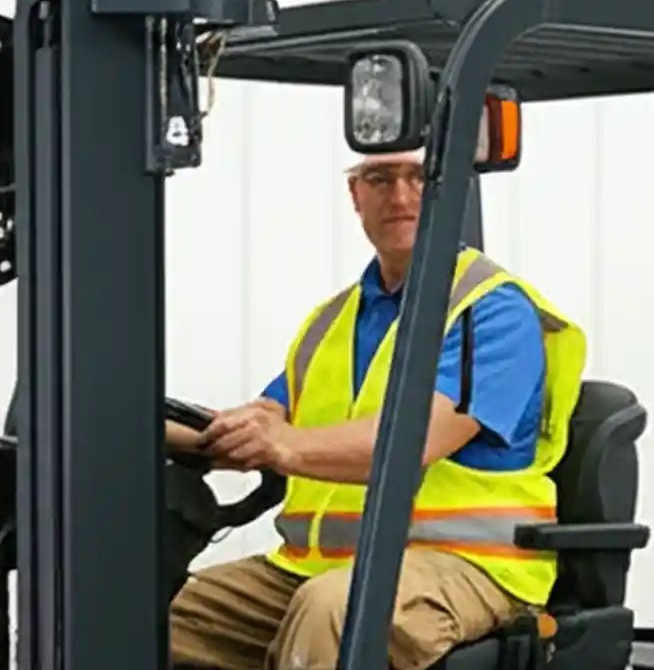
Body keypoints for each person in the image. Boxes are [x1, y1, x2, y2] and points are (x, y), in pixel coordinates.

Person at [164, 147, 587, 670]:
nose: (401, 196)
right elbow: (264, 423)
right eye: (380, 179)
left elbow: (415, 444)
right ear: (355, 194)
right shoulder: (332, 320)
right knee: (167, 615)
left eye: (419, 177)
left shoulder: (492, 312)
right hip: (324, 567)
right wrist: (135, 423)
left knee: (338, 612)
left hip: (469, 566)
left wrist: (282, 446)